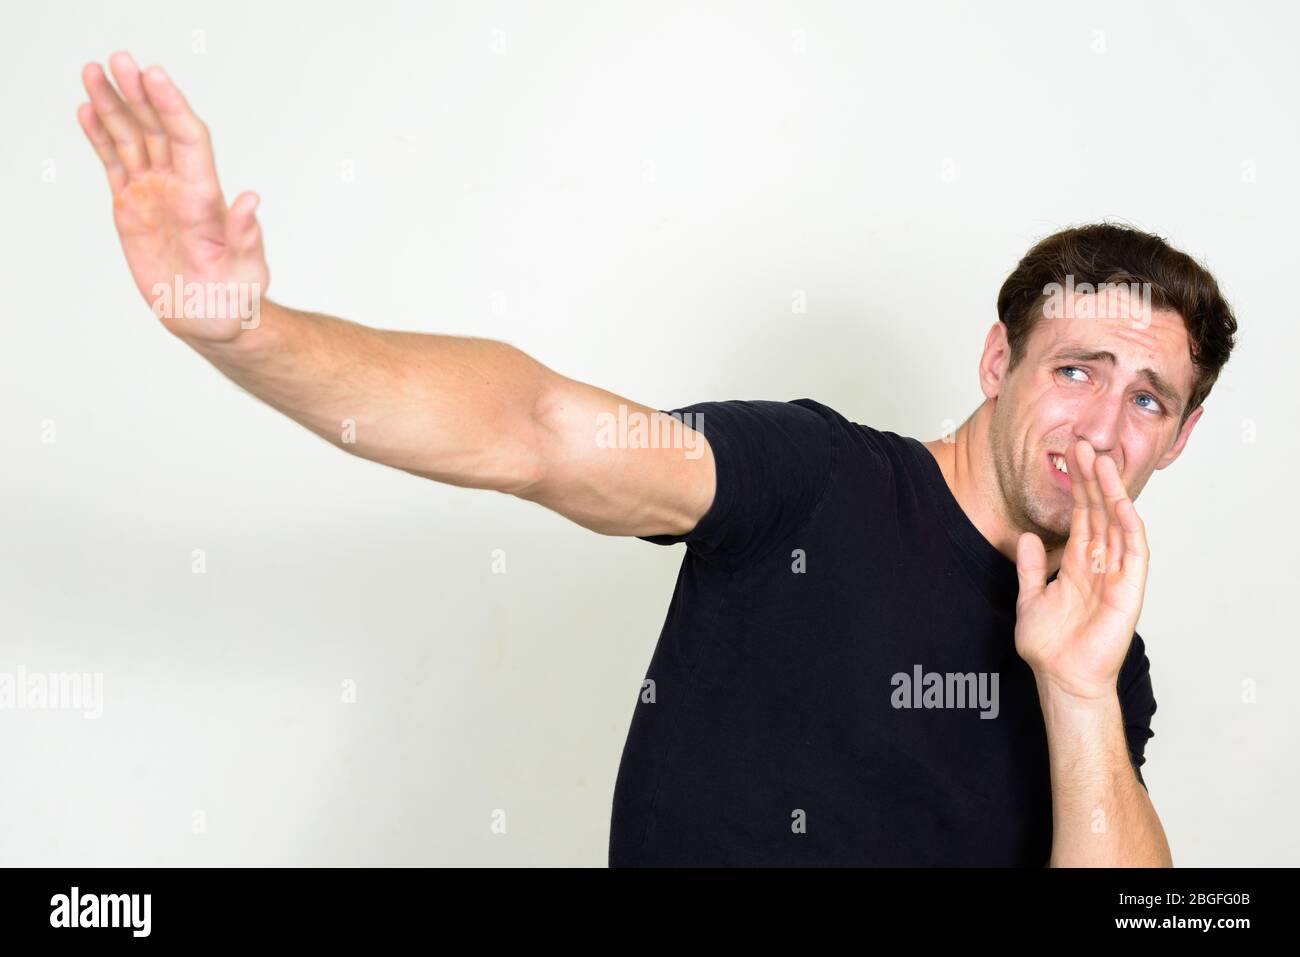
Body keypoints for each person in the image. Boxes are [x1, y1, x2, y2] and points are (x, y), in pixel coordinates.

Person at [76, 52, 1236, 867]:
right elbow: (537, 427)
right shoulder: (815, 480)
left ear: (1176, 441)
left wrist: (1079, 693)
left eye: (1147, 399)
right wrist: (246, 328)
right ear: (998, 361)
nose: (1100, 424)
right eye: (1076, 368)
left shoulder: (1100, 649)